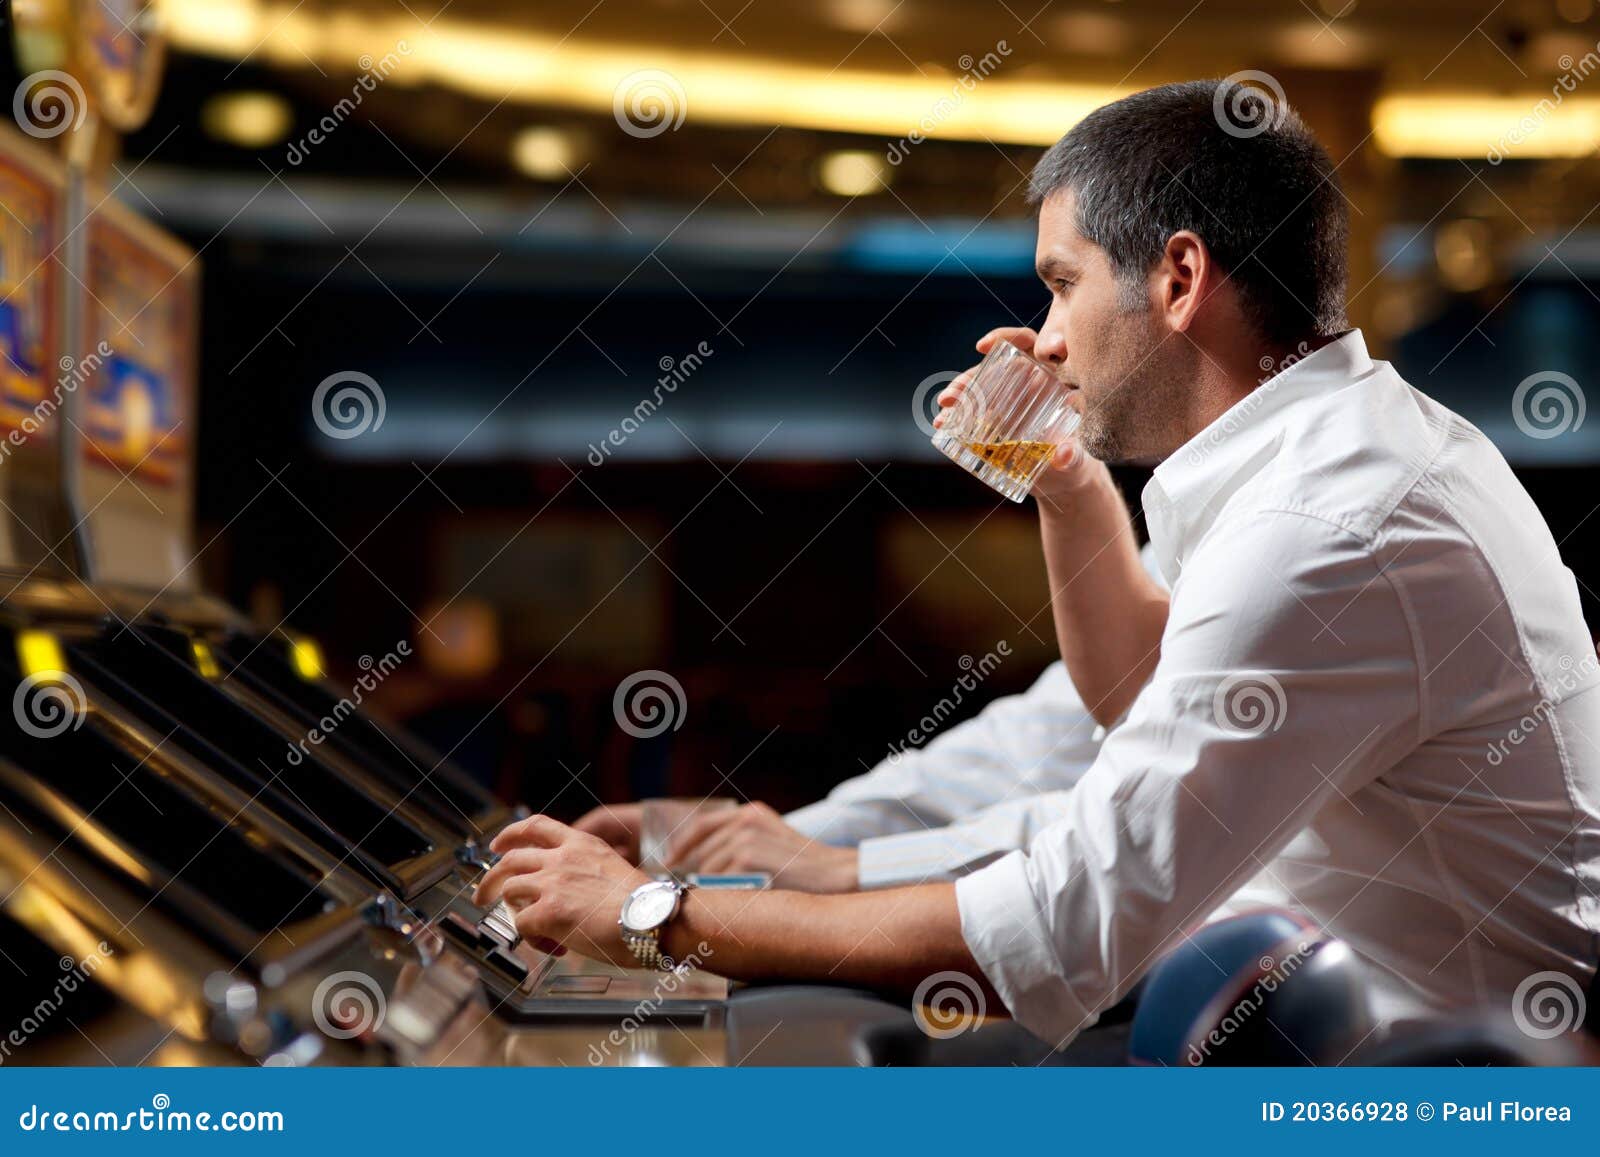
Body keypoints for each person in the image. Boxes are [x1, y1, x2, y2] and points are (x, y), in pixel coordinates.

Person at [477, 79, 1600, 1048]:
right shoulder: (1314, 464)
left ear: (1178, 278)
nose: (1045, 335)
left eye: (1061, 283)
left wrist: (655, 916)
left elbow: (1069, 922)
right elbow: (1126, 702)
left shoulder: (1323, 526)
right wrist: (1066, 482)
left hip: (1451, 1081)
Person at [572, 545, 1169, 893]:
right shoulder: (1177, 527)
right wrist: (745, 843)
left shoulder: (1230, 528)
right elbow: (1022, 758)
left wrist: (844, 866)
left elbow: (1140, 823)